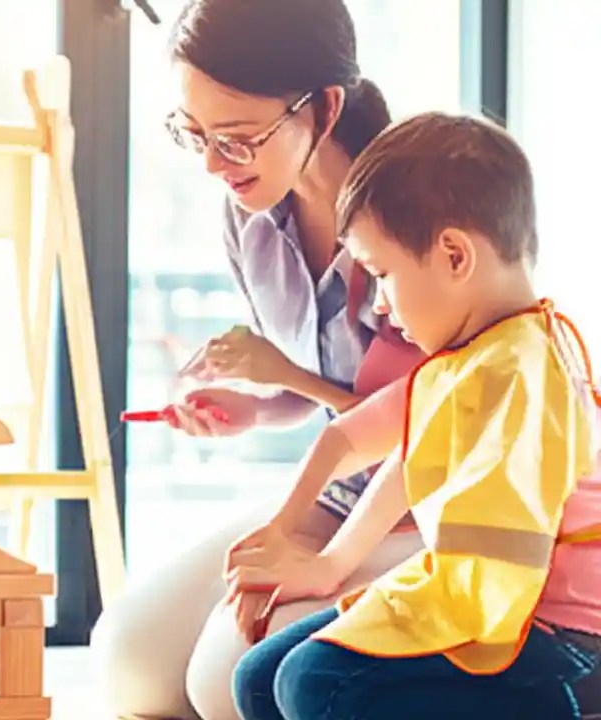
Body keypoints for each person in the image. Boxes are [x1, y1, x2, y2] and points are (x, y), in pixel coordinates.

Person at [90, 1, 425, 717]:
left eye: (238, 138)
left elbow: (437, 417)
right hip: (339, 496)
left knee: (224, 681)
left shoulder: (417, 218)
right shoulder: (249, 214)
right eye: (195, 133)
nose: (214, 164)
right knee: (129, 656)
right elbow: (317, 390)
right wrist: (257, 404)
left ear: (324, 108)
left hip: (425, 509)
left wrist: (285, 374)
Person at [231, 111, 601, 720]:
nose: (378, 302)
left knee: (314, 682)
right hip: (499, 607)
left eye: (382, 274)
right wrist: (317, 557)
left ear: (455, 256)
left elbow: (497, 578)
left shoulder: (524, 370)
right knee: (260, 676)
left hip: (561, 639)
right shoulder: (466, 360)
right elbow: (373, 449)